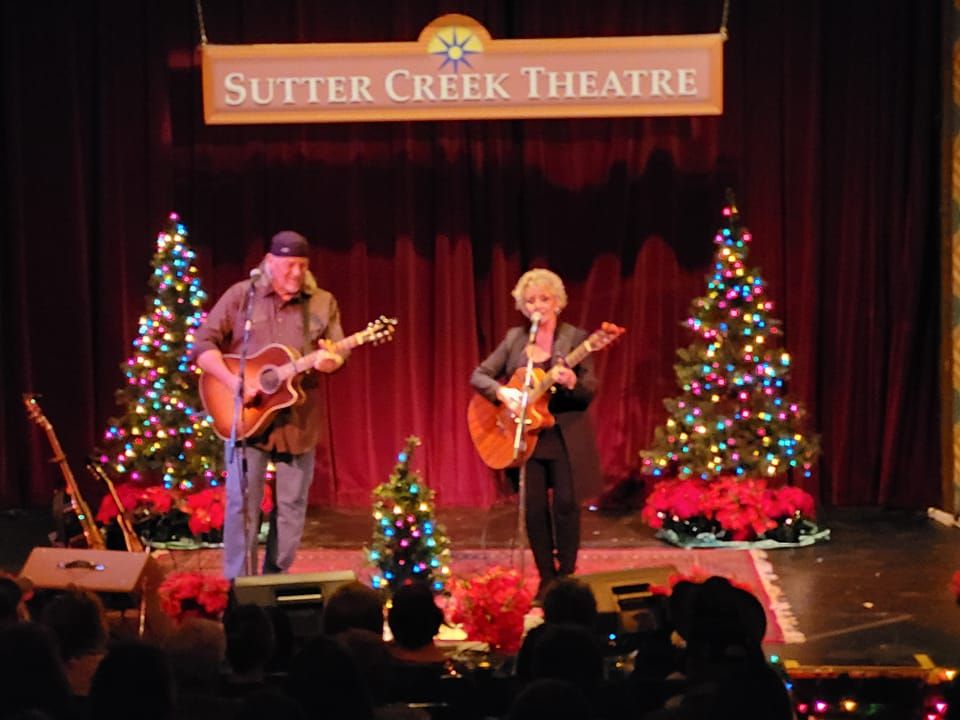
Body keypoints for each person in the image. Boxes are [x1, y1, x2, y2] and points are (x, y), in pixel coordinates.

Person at [194, 230, 346, 579]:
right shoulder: (241, 296)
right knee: (242, 507)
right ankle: (238, 586)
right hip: (247, 419)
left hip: (298, 420)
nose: (296, 273)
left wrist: (330, 361)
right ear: (270, 262)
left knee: (291, 508)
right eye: (289, 265)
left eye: (302, 266)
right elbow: (203, 346)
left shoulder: (322, 302)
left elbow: (338, 351)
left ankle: (274, 581)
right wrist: (235, 382)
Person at [470, 269, 602, 599]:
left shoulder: (574, 338)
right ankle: (546, 576)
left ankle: (567, 577)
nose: (538, 306)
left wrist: (572, 382)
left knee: (566, 505)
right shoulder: (516, 340)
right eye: (530, 301)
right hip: (526, 438)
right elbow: (480, 375)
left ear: (558, 303)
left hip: (564, 435)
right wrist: (503, 395)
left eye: (544, 299)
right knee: (532, 509)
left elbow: (589, 390)